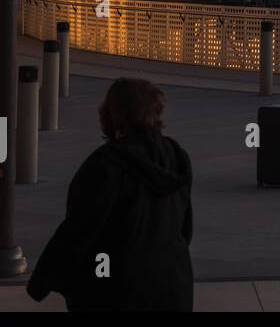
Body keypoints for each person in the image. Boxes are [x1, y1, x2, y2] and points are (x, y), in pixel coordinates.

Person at [27, 77, 193, 311]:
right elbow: (184, 227)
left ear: (111, 114)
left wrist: (41, 283)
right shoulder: (176, 157)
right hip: (172, 285)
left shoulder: (103, 165)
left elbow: (78, 231)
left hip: (117, 290)